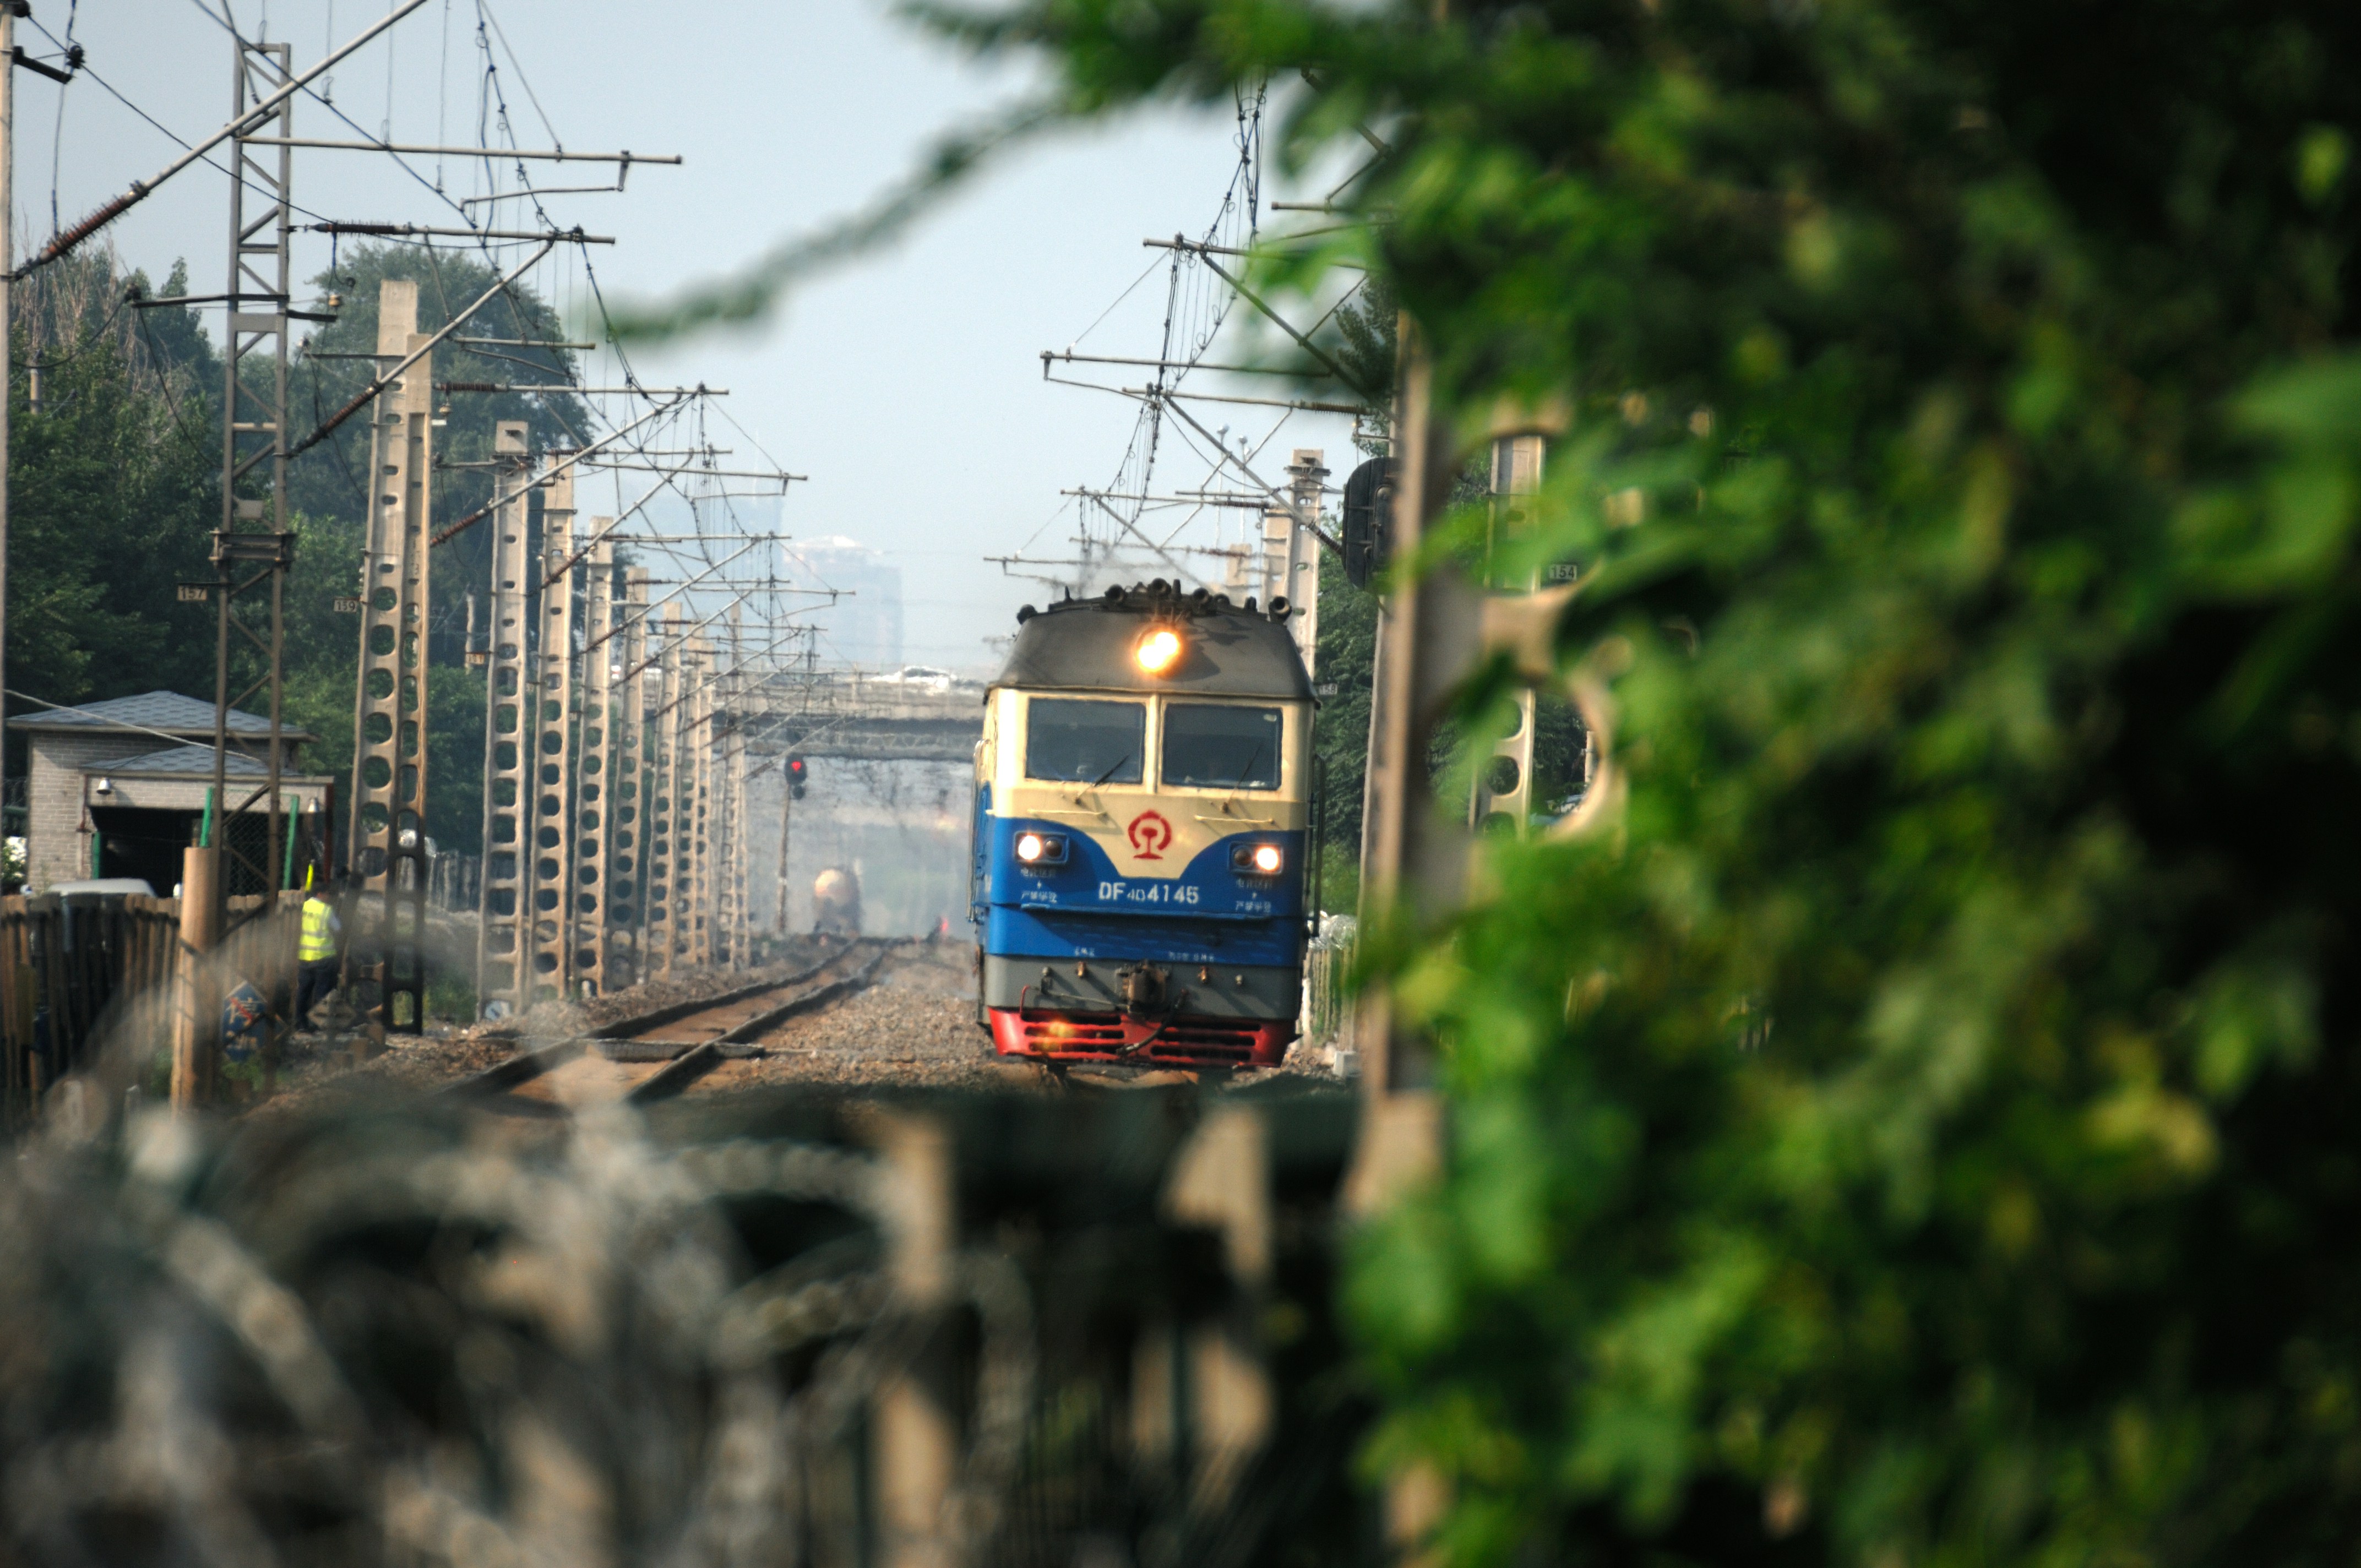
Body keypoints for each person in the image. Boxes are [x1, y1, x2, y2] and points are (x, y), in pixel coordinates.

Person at [296, 876, 342, 1030]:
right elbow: (337, 928)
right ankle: (316, 1024)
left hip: (305, 957)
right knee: (322, 993)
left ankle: (300, 1023)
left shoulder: (305, 906)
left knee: (303, 992)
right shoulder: (326, 910)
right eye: (327, 894)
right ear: (320, 894)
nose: (329, 897)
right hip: (323, 957)